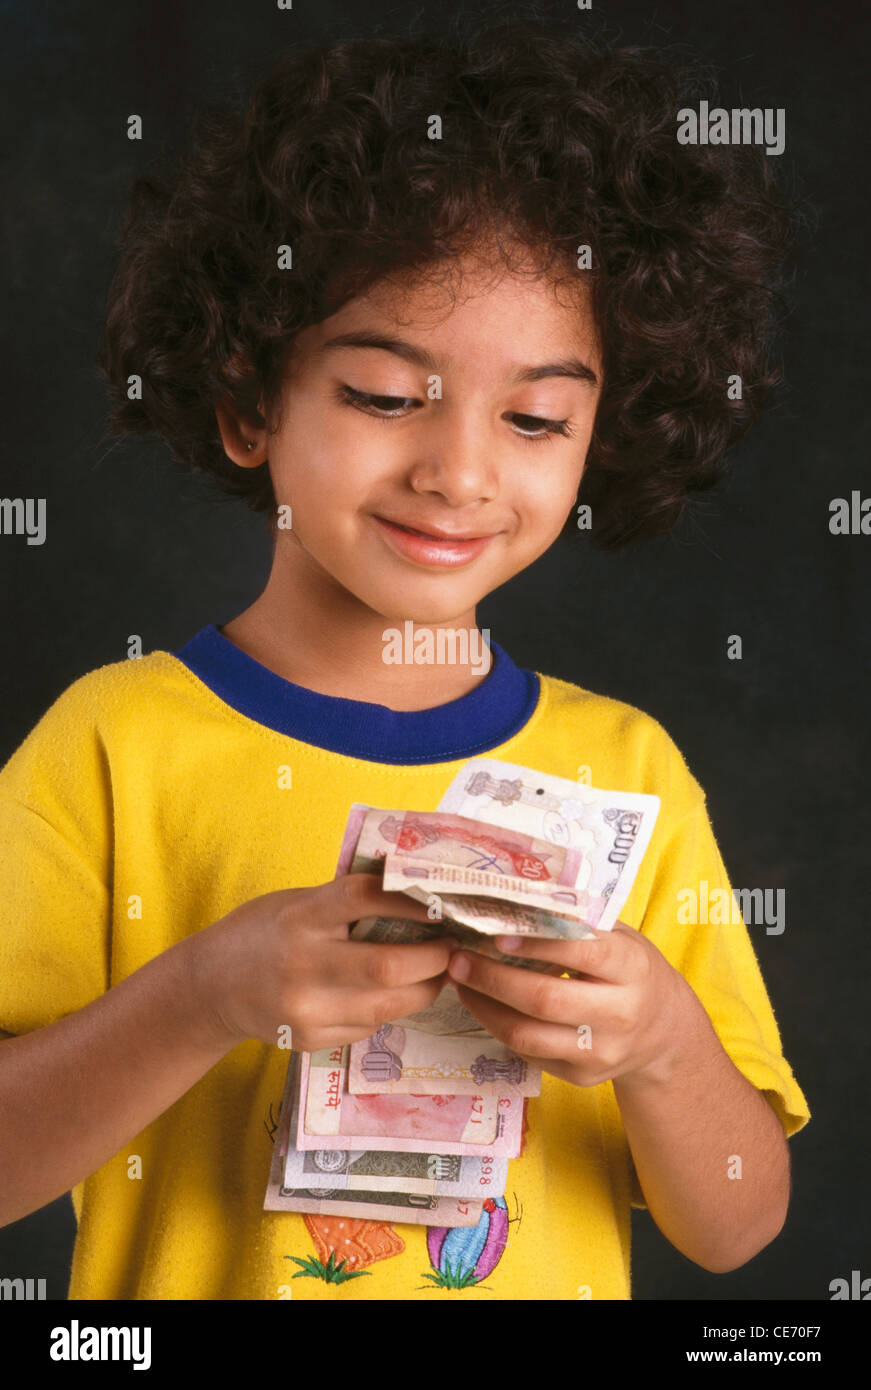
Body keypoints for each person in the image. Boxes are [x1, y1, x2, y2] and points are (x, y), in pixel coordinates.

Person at [0, 19, 810, 1300]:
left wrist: (659, 1041)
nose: (461, 472)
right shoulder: (109, 745)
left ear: (596, 437)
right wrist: (206, 992)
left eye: (535, 417)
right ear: (249, 402)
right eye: (385, 395)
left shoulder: (629, 770)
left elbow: (738, 1225)